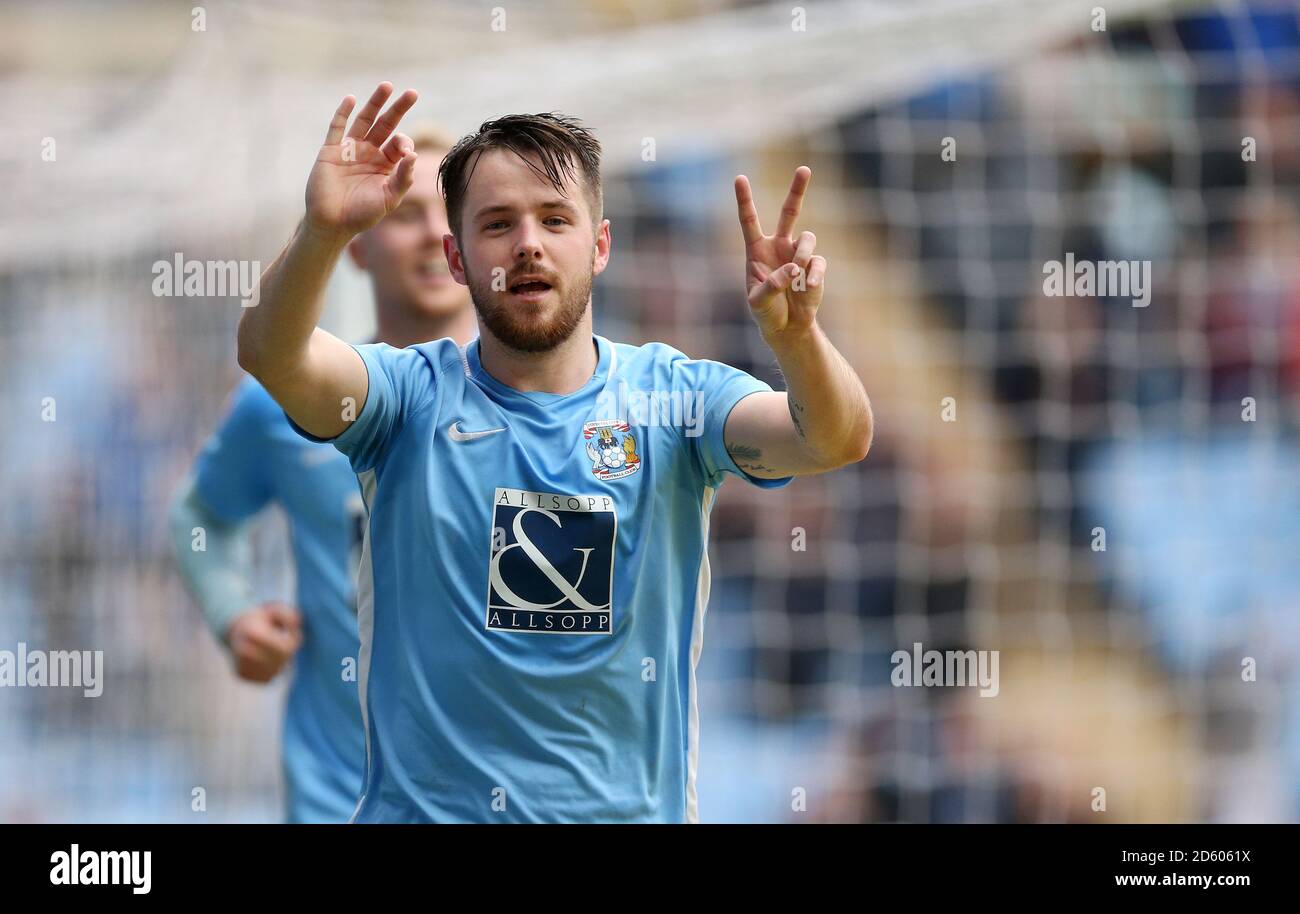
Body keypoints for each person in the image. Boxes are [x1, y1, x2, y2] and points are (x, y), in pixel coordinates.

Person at [236, 82, 873, 823]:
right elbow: (272, 355)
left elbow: (835, 438)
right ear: (457, 257)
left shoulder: (675, 402)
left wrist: (797, 340)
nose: (528, 243)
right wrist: (319, 233)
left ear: (599, 245)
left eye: (556, 219)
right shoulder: (403, 399)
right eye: (498, 223)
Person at [168, 125, 475, 823]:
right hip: (339, 797)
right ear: (359, 242)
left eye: (450, 215)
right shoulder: (282, 403)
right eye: (405, 215)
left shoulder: (542, 406)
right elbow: (199, 517)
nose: (434, 235)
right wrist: (232, 612)